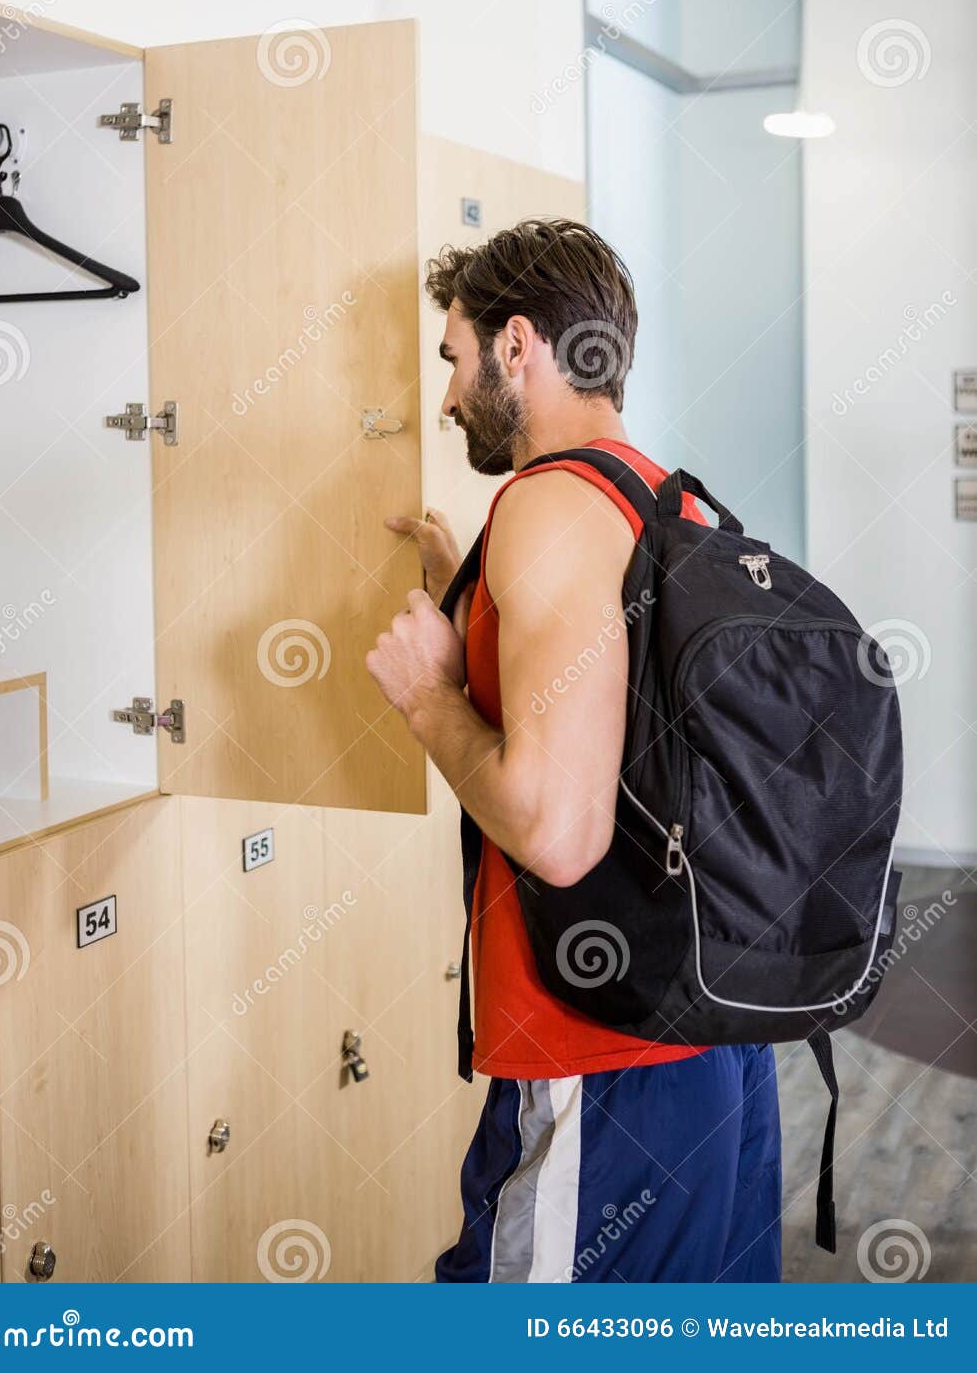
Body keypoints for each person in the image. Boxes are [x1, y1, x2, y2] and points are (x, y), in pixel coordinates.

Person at [365, 218, 782, 1284]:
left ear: (514, 345)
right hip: (711, 1032)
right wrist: (477, 592)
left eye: (452, 358)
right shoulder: (656, 491)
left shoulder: (546, 509)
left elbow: (555, 831)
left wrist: (427, 697)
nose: (450, 395)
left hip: (599, 1062)